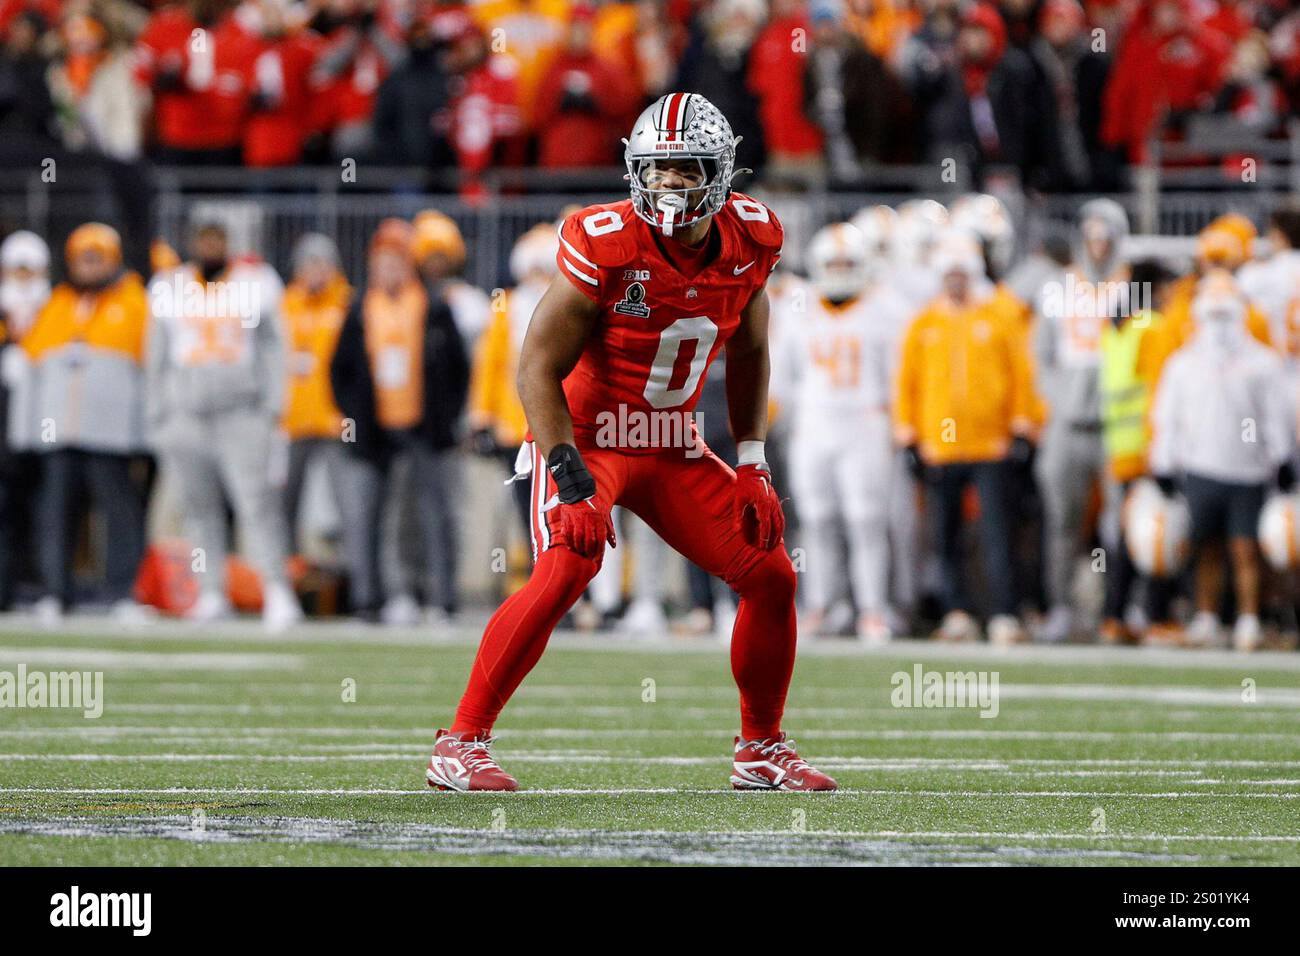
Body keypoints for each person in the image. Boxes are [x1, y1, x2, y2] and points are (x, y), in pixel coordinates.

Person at [427, 93, 836, 792]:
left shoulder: (752, 239)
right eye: (656, 170)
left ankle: (760, 747)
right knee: (566, 569)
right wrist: (569, 476)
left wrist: (751, 460)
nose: (669, 185)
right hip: (587, 439)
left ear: (720, 172)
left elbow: (750, 352)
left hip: (670, 440)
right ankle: (460, 743)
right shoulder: (605, 238)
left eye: (685, 170)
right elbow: (536, 367)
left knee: (771, 576)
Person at [146, 217, 302, 631]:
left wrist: (273, 405)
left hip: (241, 411)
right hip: (186, 412)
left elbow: (275, 344)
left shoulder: (256, 281)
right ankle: (211, 591)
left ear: (228, 242)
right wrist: (158, 414)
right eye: (204, 239)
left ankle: (276, 589)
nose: (211, 246)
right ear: (194, 243)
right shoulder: (170, 285)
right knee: (199, 508)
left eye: (218, 238)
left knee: (256, 503)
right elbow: (156, 353)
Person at [894, 230, 1037, 645]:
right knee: (946, 536)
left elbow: (1021, 375)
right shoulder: (923, 323)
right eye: (950, 274)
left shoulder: (998, 316)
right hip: (939, 445)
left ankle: (1003, 613)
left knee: (996, 534)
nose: (956, 281)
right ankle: (957, 611)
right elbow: (907, 385)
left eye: (962, 273)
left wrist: (1023, 427)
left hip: (990, 442)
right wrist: (908, 438)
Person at [329, 218, 469, 623]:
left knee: (433, 514)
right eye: (383, 262)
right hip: (374, 428)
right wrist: (354, 416)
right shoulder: (359, 307)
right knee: (370, 515)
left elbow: (458, 367)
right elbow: (340, 369)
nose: (389, 270)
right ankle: (372, 598)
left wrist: (448, 417)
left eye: (396, 261)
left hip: (424, 426)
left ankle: (442, 599)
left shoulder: (432, 305)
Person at [773, 221, 907, 643]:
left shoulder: (887, 308)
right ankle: (819, 606)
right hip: (814, 422)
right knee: (816, 519)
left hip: (866, 419)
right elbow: (781, 375)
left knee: (867, 519)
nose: (840, 268)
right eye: (833, 262)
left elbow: (899, 377)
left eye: (848, 261)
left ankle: (872, 610)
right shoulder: (799, 307)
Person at [1149, 272, 1295, 652]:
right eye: (1211, 316)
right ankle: (1207, 617)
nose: (1218, 325)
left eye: (1224, 316)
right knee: (1205, 548)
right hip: (1200, 466)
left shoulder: (1262, 362)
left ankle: (1249, 619)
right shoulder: (1184, 362)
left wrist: (1281, 458)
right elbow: (1168, 416)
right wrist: (1163, 461)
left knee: (1246, 549)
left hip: (1247, 468)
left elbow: (1274, 415)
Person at [20, 224, 149, 624]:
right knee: (56, 512)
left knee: (119, 514)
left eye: (97, 258)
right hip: (59, 430)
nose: (89, 267)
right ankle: (56, 593)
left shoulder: (133, 300)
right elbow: (34, 365)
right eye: (83, 258)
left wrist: (143, 433)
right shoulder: (57, 302)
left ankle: (121, 592)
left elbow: (149, 369)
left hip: (111, 433)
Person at [1033, 197, 1129, 643]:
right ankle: (1061, 609)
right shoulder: (1057, 286)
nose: (1097, 245)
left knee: (1120, 524)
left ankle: (1117, 612)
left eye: (1105, 236)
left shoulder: (1132, 286)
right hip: (1067, 425)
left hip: (1118, 423)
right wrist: (1061, 402)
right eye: (1091, 235)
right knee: (1062, 524)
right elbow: (1040, 357)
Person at [280, 233, 352, 550]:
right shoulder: (283, 305)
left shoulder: (348, 304)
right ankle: (287, 576)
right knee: (285, 503)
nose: (315, 270)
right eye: (308, 263)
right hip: (292, 420)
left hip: (336, 419)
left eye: (322, 263)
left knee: (347, 504)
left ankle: (353, 583)